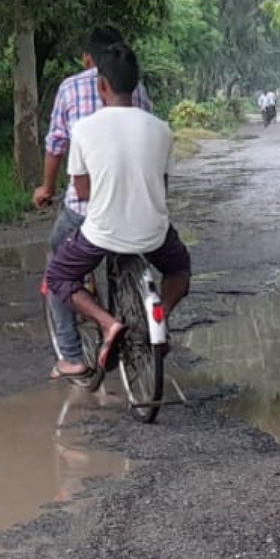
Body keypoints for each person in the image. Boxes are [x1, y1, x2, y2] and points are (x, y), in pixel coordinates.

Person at [42, 42, 190, 380]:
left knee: (58, 275)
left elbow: (81, 192)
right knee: (179, 268)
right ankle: (160, 316)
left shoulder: (84, 130)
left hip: (102, 231)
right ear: (136, 85)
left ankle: (108, 324)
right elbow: (161, 186)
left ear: (101, 85)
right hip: (154, 232)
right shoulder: (162, 129)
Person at [33, 25, 153, 368]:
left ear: (88, 59)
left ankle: (71, 355)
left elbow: (56, 144)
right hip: (135, 203)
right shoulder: (136, 89)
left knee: (58, 263)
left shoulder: (71, 87)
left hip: (88, 208)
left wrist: (46, 189)